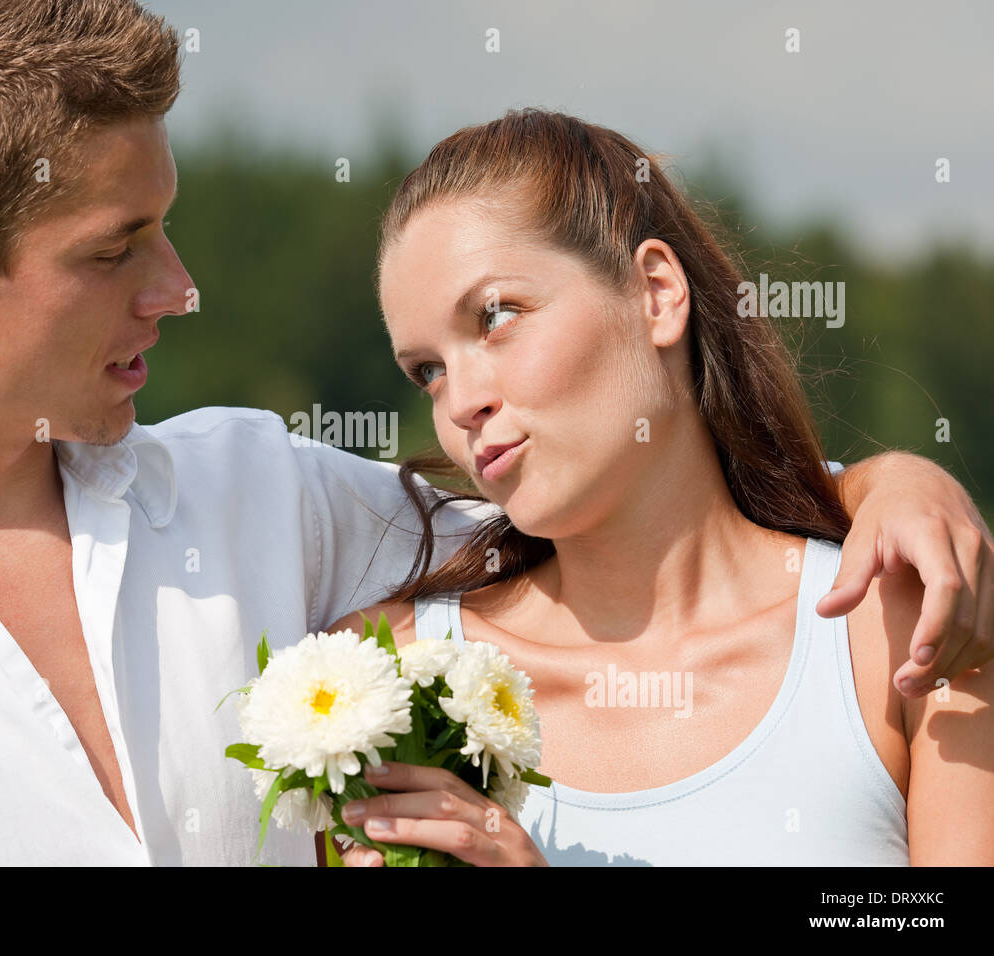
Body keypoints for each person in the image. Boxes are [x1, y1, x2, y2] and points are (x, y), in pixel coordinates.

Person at [0, 3, 986, 866]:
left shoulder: (269, 500)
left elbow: (633, 516)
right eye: (114, 247)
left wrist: (883, 481)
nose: (177, 288)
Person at [331, 109, 994, 866]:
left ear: (656, 292)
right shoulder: (387, 684)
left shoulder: (907, 629)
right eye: (428, 370)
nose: (459, 403)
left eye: (496, 316)